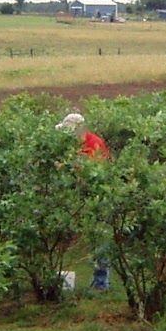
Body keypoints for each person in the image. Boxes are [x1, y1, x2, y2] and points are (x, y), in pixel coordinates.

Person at [56, 112, 112, 292]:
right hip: (83, 196)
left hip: (98, 196)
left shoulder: (93, 144)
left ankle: (101, 283)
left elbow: (93, 172)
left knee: (99, 239)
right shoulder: (74, 144)